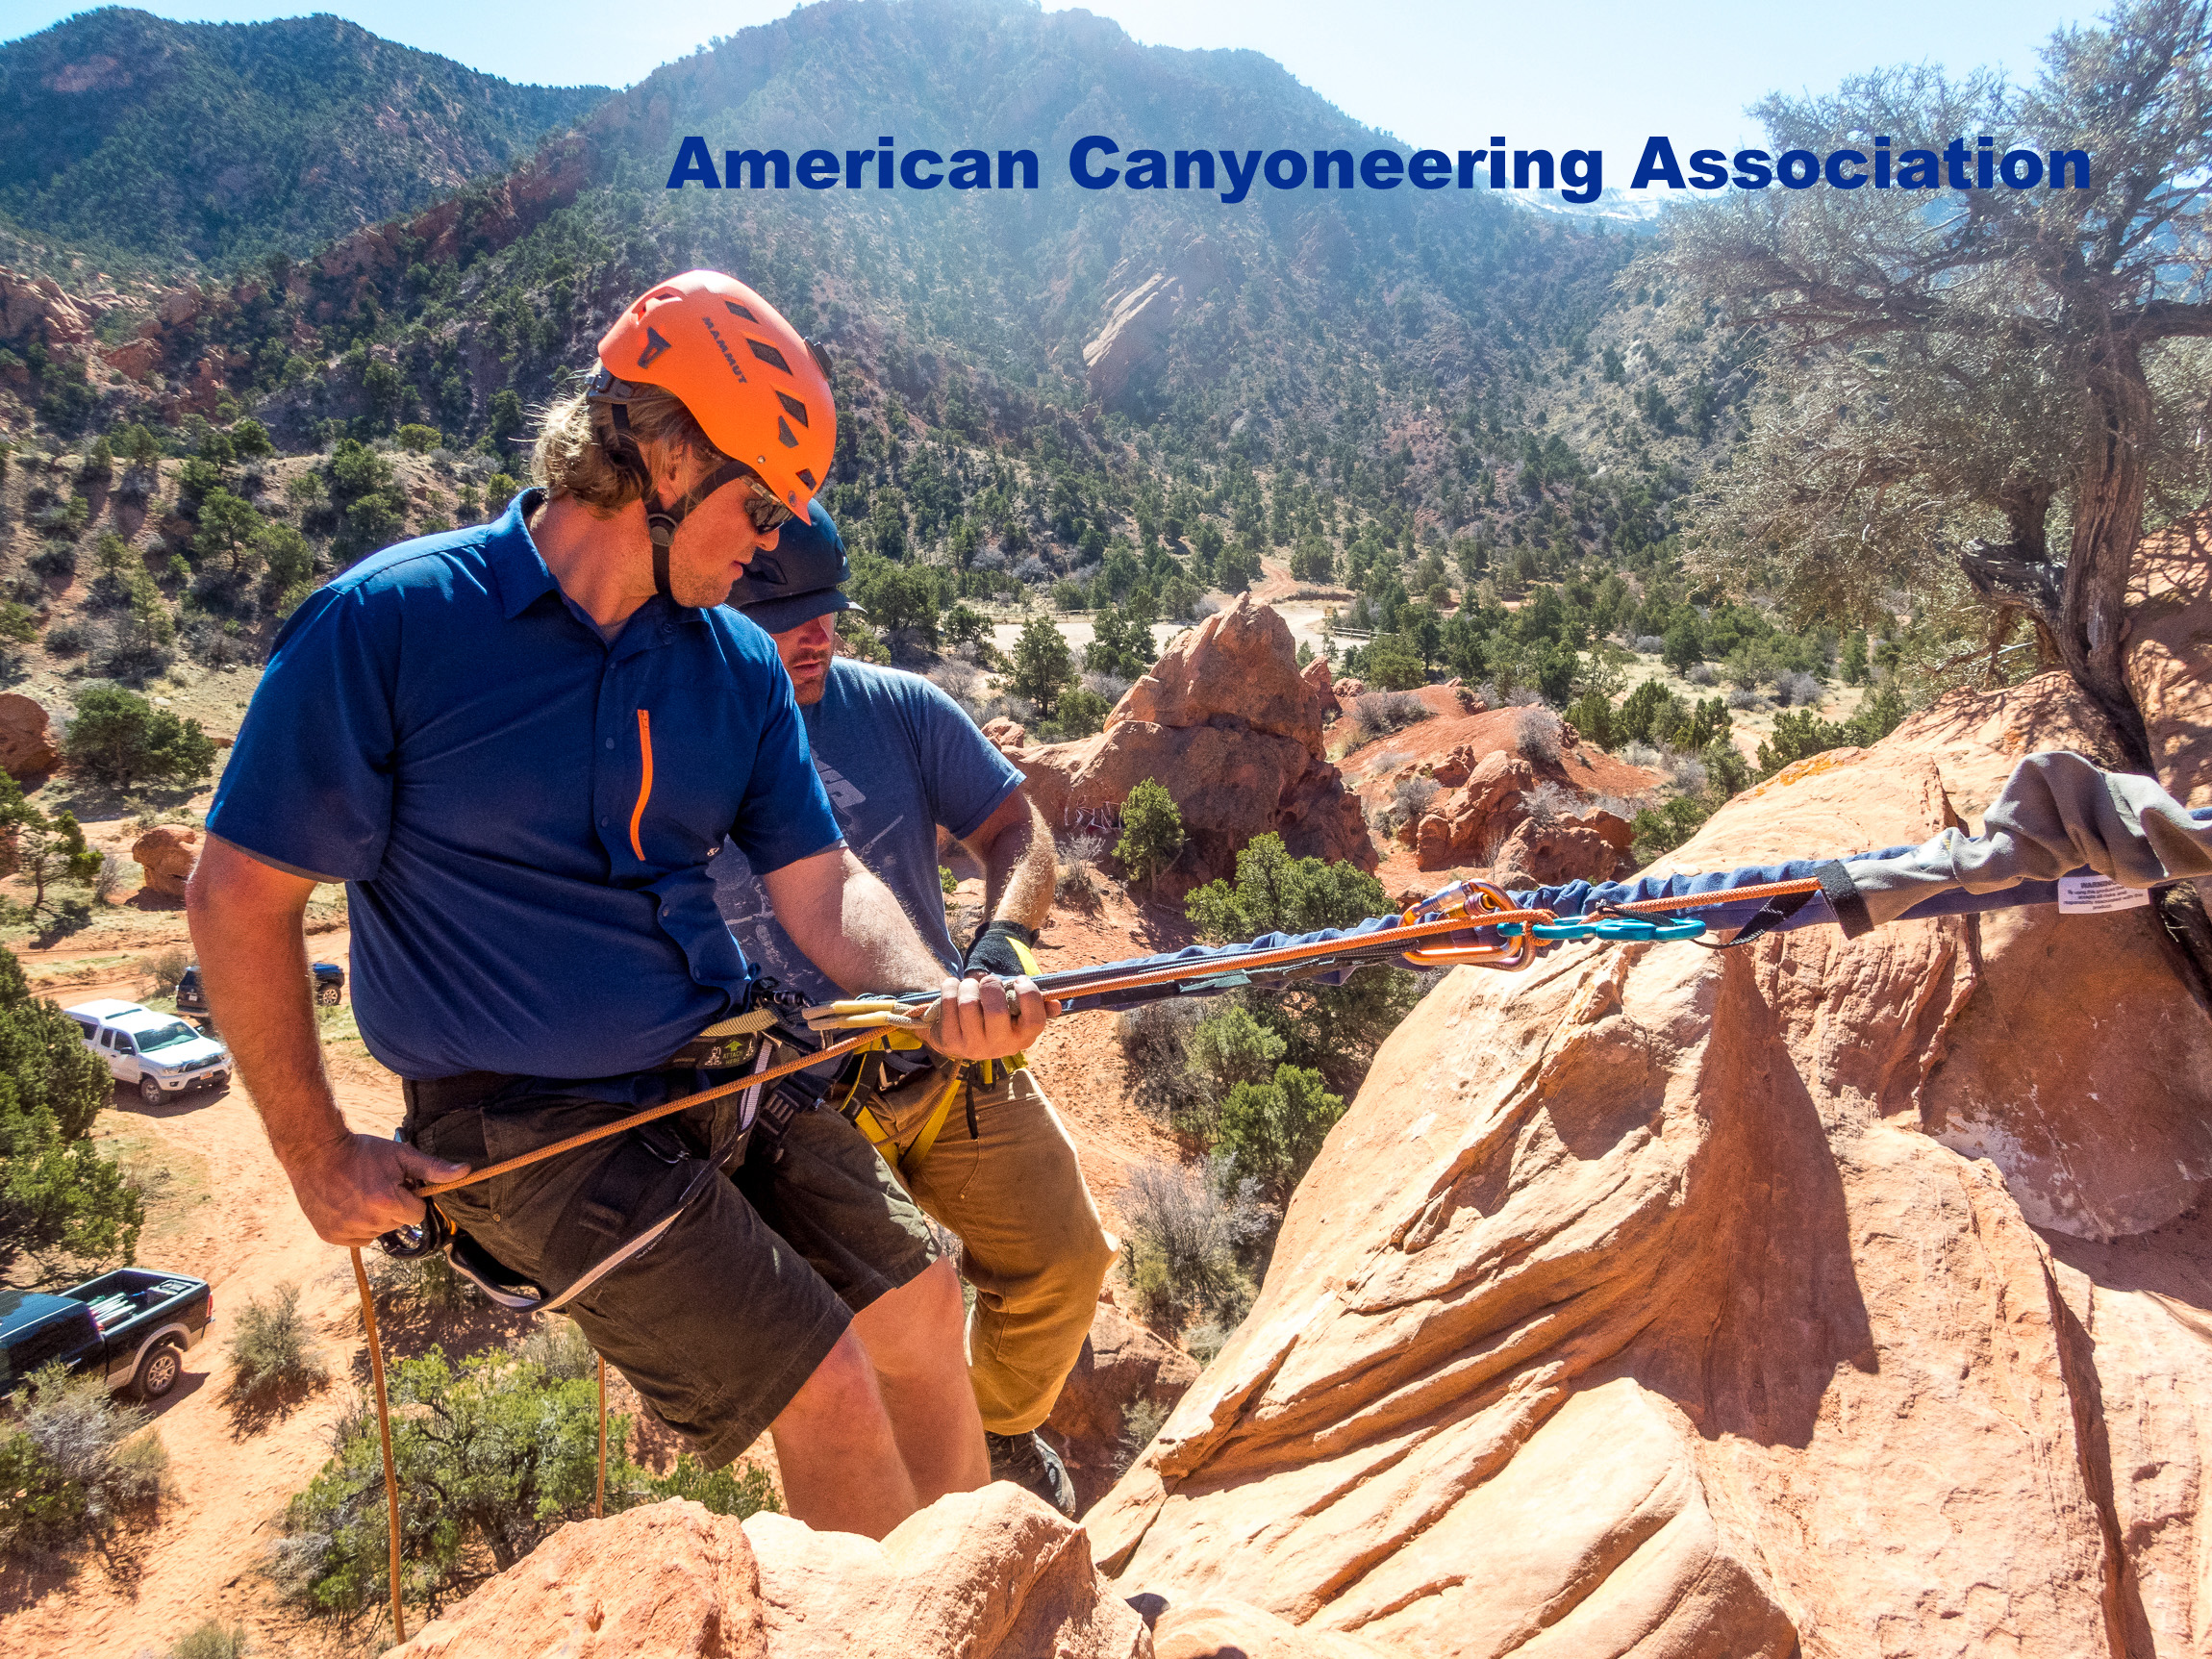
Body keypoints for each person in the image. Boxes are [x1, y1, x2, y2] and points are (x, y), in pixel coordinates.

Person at [186, 270, 1052, 1541]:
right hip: (527, 1125)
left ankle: (994, 1603)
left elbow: (828, 889)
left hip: (717, 1065)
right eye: (759, 504)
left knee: (921, 1306)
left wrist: (937, 993)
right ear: (663, 455)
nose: (770, 543)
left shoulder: (736, 670)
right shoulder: (395, 626)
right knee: (828, 1385)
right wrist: (314, 1153)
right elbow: (237, 897)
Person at [714, 511, 1117, 1516]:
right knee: (878, 1336)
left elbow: (1011, 825)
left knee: (1063, 1264)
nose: (817, 636)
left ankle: (995, 1431)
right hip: (789, 1104)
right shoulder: (670, 747)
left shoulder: (896, 709)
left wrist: (1001, 946)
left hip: (938, 1056)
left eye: (827, 613)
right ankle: (916, 1511)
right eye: (783, 616)